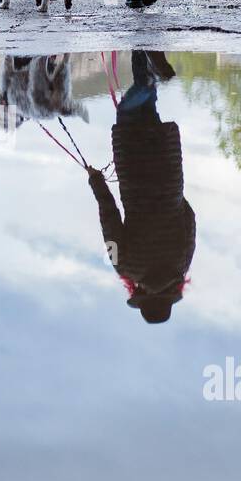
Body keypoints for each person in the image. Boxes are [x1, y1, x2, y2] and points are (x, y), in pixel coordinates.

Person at [87, 50, 195, 324]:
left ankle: (142, 46)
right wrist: (96, 182)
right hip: (134, 170)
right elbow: (108, 221)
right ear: (142, 295)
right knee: (128, 110)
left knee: (148, 110)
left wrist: (174, 196)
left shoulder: (182, 262)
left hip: (168, 173)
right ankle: (149, 77)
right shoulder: (125, 266)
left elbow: (190, 219)